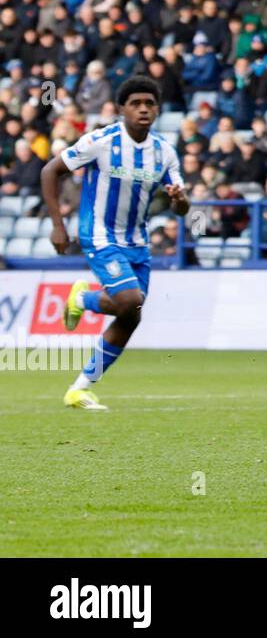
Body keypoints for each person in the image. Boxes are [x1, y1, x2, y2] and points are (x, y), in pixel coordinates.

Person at [39, 77, 188, 411]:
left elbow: (182, 208)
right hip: (100, 234)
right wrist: (58, 226)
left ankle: (79, 388)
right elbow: (50, 171)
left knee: (131, 314)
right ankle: (85, 298)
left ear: (157, 108)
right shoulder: (101, 141)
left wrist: (180, 199)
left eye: (149, 103)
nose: (143, 109)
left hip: (137, 241)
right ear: (122, 109)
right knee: (130, 299)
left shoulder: (164, 151)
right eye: (136, 103)